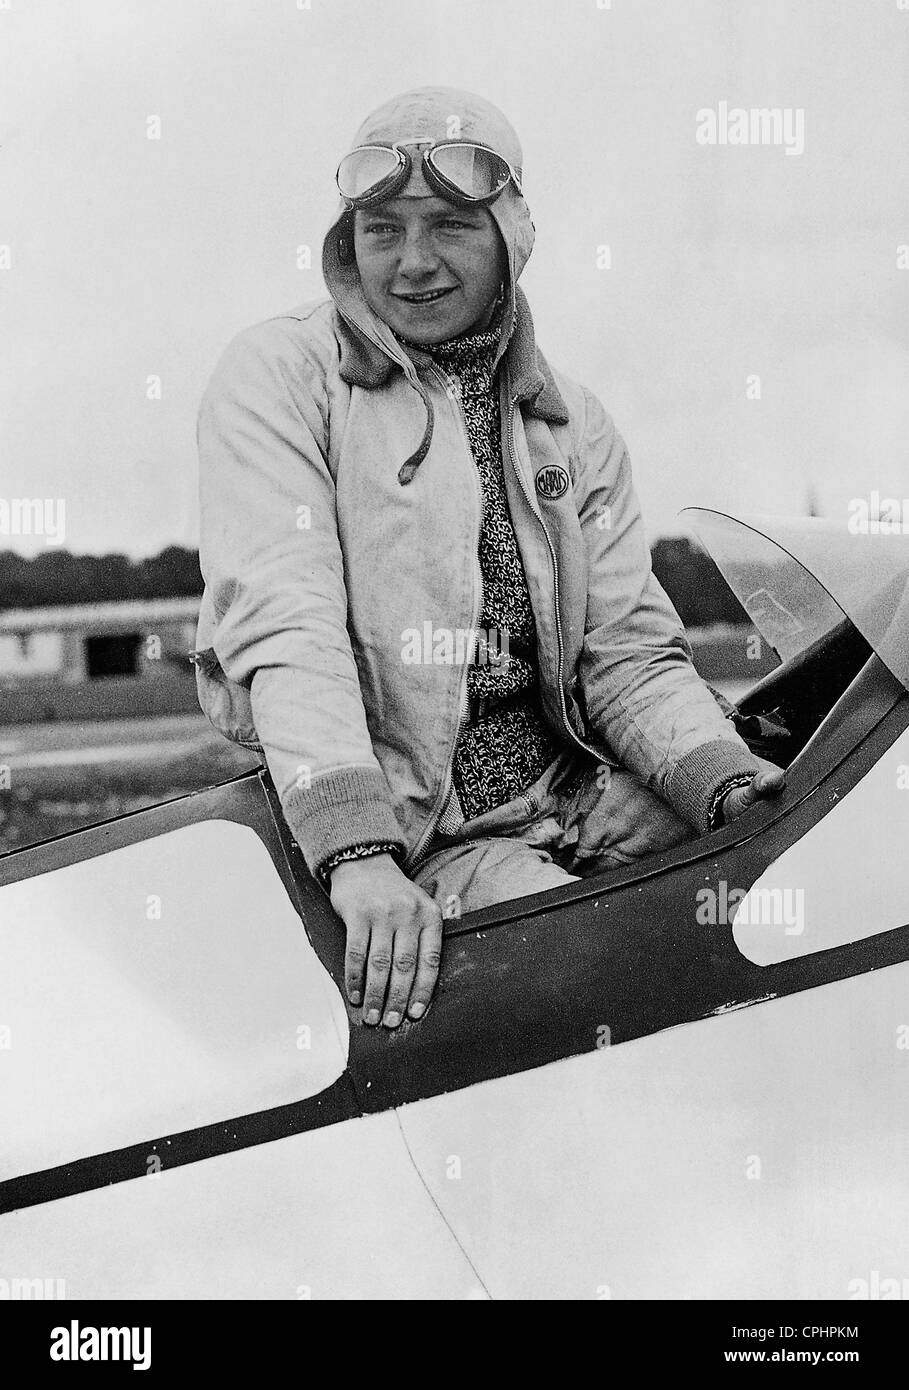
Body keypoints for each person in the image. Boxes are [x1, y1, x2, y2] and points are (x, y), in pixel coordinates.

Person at [194, 86, 784, 1031]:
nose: (413, 262)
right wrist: (357, 856)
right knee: (606, 1000)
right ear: (347, 241)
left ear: (511, 235)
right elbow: (285, 621)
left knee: (781, 909)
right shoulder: (280, 378)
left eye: (450, 227)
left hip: (576, 796)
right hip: (421, 834)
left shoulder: (569, 421)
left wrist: (716, 785)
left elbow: (628, 651)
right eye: (382, 228)